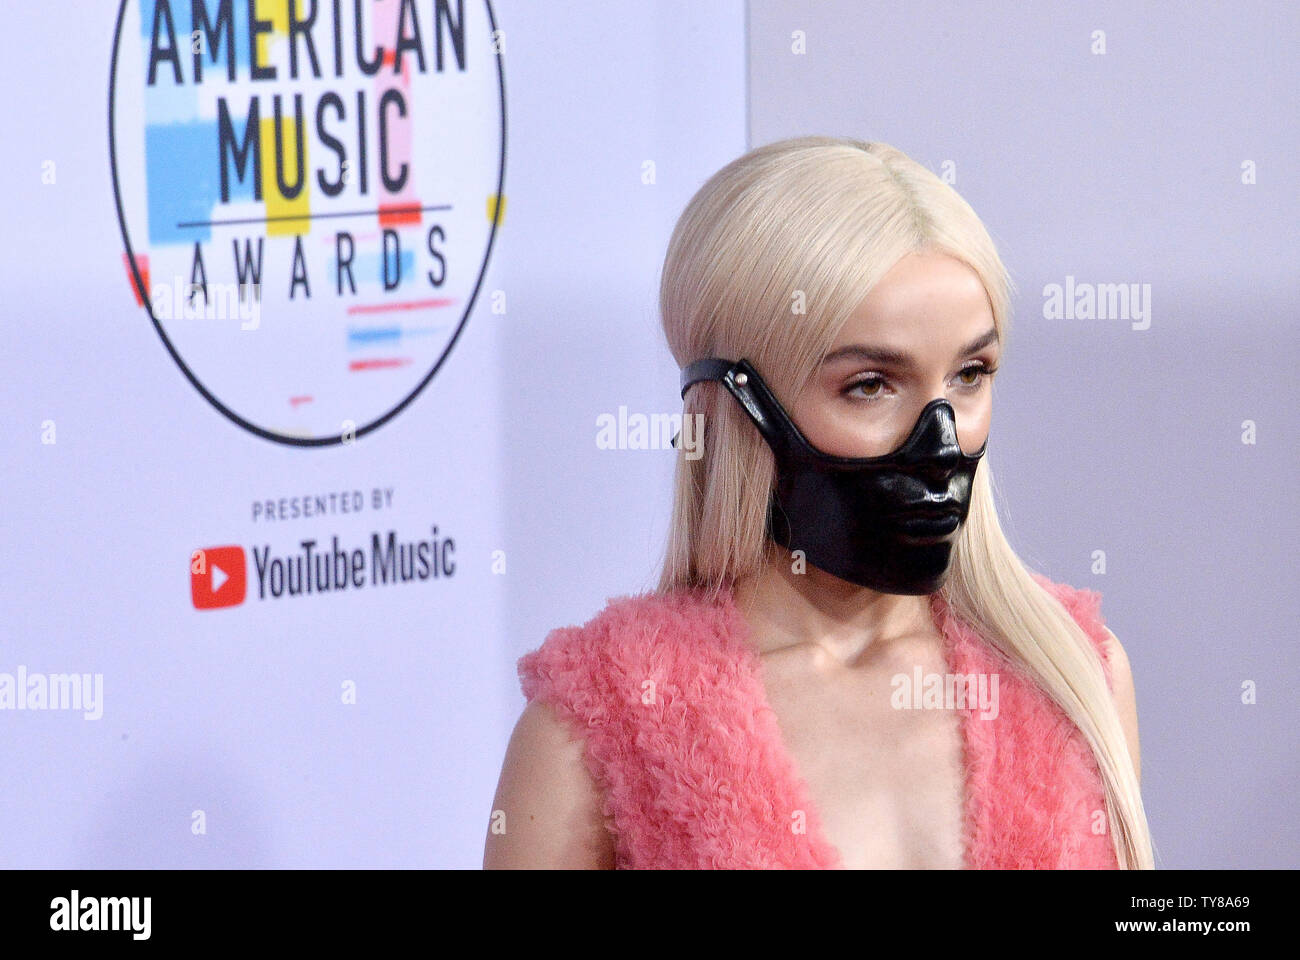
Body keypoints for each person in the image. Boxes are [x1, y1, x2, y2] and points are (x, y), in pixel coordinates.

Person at [483, 136, 1153, 869]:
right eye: (869, 384)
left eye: (970, 373)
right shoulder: (600, 724)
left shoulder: (1072, 673)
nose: (940, 438)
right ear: (736, 405)